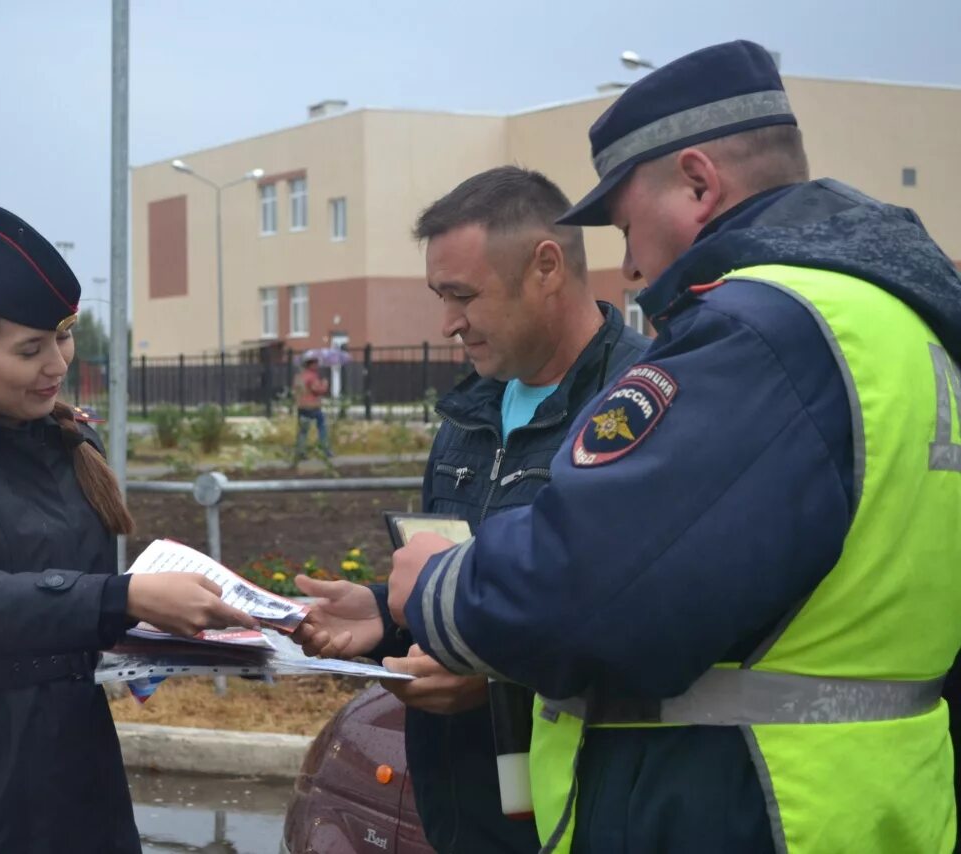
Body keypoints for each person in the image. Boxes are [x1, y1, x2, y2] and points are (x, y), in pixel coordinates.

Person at [387, 40, 961, 853]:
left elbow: (592, 588)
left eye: (625, 226)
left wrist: (439, 589)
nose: (627, 267)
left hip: (745, 807)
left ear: (698, 182)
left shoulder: (759, 332)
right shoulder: (898, 324)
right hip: (876, 803)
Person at [0, 197, 254, 854]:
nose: (58, 364)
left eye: (64, 336)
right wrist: (119, 599)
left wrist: (169, 631)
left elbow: (72, 592)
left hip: (79, 758)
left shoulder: (63, 436)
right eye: (30, 349)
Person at [292, 166, 648, 851]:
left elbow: (641, 623)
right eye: (439, 295)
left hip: (584, 814)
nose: (448, 323)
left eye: (462, 296)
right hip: (461, 815)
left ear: (547, 267)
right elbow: (469, 578)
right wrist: (386, 614)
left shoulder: (638, 408)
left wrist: (496, 676)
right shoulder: (471, 409)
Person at [292, 354, 331, 461]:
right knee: (322, 426)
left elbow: (296, 391)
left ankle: (300, 451)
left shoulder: (299, 376)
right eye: (316, 363)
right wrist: (325, 384)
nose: (318, 365)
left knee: (303, 430)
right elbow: (317, 390)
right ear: (311, 365)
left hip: (301, 406)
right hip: (312, 406)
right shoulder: (312, 376)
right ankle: (325, 449)